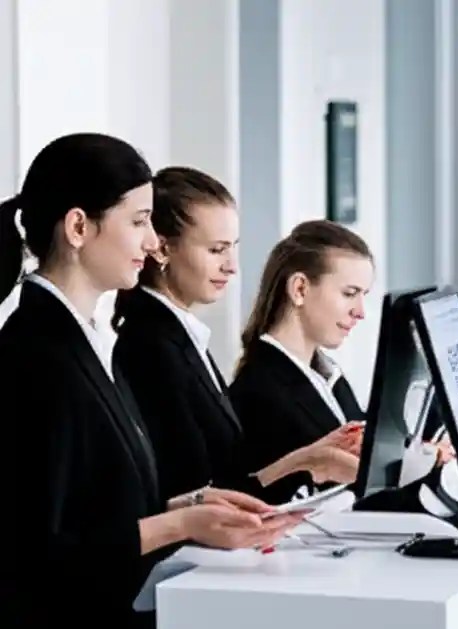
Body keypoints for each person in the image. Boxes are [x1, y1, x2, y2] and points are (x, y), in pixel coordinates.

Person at [0, 133, 306, 629]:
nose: (150, 241)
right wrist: (179, 524)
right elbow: (42, 552)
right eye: (139, 221)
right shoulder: (37, 355)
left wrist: (190, 501)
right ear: (78, 227)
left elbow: (101, 502)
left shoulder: (90, 342)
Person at [112, 167, 362, 505]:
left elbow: (227, 475)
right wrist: (307, 463)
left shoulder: (180, 339)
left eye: (232, 249)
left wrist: (309, 459)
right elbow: (192, 490)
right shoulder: (152, 347)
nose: (232, 266)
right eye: (217, 250)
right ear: (161, 249)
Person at [229, 220, 452, 508]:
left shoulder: (326, 375)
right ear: (299, 289)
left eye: (363, 296)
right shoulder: (262, 391)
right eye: (349, 293)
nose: (360, 312)